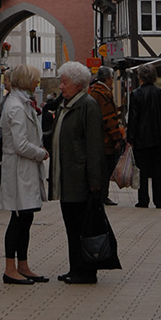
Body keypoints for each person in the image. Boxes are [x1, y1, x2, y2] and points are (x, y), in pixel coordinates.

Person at [50, 61, 106, 284]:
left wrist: (95, 181)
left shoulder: (87, 106)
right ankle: (75, 268)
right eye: (61, 82)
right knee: (71, 227)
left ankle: (86, 270)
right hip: (67, 178)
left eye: (65, 82)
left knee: (82, 227)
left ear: (78, 85)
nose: (61, 86)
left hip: (80, 179)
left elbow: (94, 146)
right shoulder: (65, 105)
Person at [0, 63, 49, 285]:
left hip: (24, 167)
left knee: (26, 216)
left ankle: (23, 265)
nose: (37, 83)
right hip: (19, 167)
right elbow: (20, 144)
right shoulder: (16, 106)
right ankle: (10, 268)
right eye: (35, 79)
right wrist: (40, 153)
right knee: (18, 218)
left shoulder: (22, 103)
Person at [127, 64, 161, 209]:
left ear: (140, 77)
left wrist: (130, 139)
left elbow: (133, 118)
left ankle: (143, 200)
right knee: (158, 170)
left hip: (141, 139)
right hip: (159, 138)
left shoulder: (136, 94)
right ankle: (160, 200)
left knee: (142, 171)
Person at [88, 65, 125, 204]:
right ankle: (102, 195)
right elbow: (109, 118)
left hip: (98, 139)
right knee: (106, 169)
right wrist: (117, 138)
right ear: (108, 79)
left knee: (101, 169)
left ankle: (100, 195)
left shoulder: (93, 92)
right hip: (106, 141)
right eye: (111, 78)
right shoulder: (104, 94)